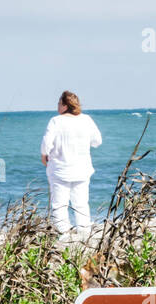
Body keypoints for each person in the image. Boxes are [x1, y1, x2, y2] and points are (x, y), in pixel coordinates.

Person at [40, 90, 101, 236]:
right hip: (82, 168)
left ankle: (64, 233)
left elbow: (46, 144)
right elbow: (97, 141)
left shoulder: (56, 121)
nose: (57, 106)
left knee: (59, 204)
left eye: (59, 103)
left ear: (65, 105)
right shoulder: (86, 120)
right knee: (81, 203)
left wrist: (44, 156)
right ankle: (84, 232)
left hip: (60, 168)